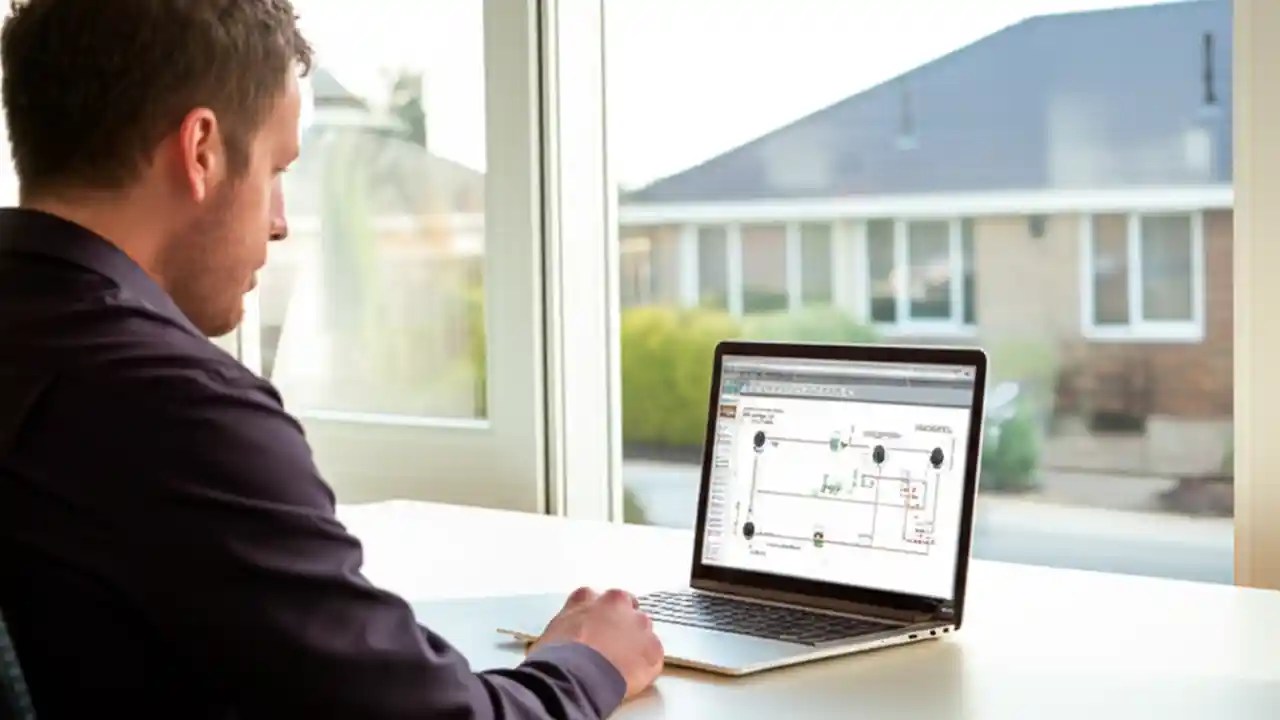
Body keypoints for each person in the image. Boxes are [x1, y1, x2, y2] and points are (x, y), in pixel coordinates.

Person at [0, 1, 662, 717]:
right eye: (277, 170)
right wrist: (586, 661)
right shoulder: (175, 410)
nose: (281, 221)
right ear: (201, 151)